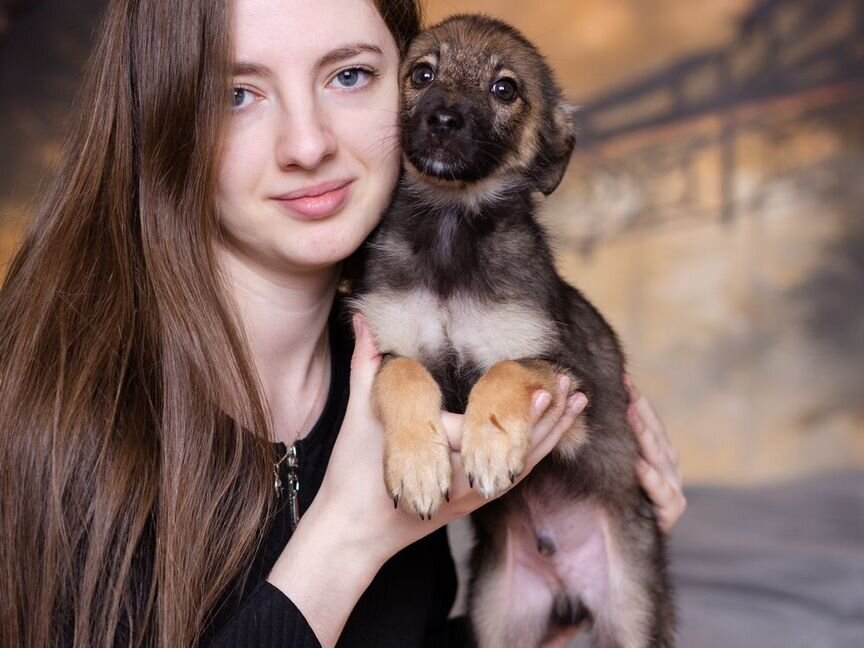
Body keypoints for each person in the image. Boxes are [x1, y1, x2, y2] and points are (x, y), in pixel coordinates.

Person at [0, 0, 686, 647]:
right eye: (236, 94)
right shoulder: (50, 410)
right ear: (157, 118)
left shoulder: (411, 379)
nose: (306, 143)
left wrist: (563, 592)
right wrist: (350, 540)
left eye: (350, 76)